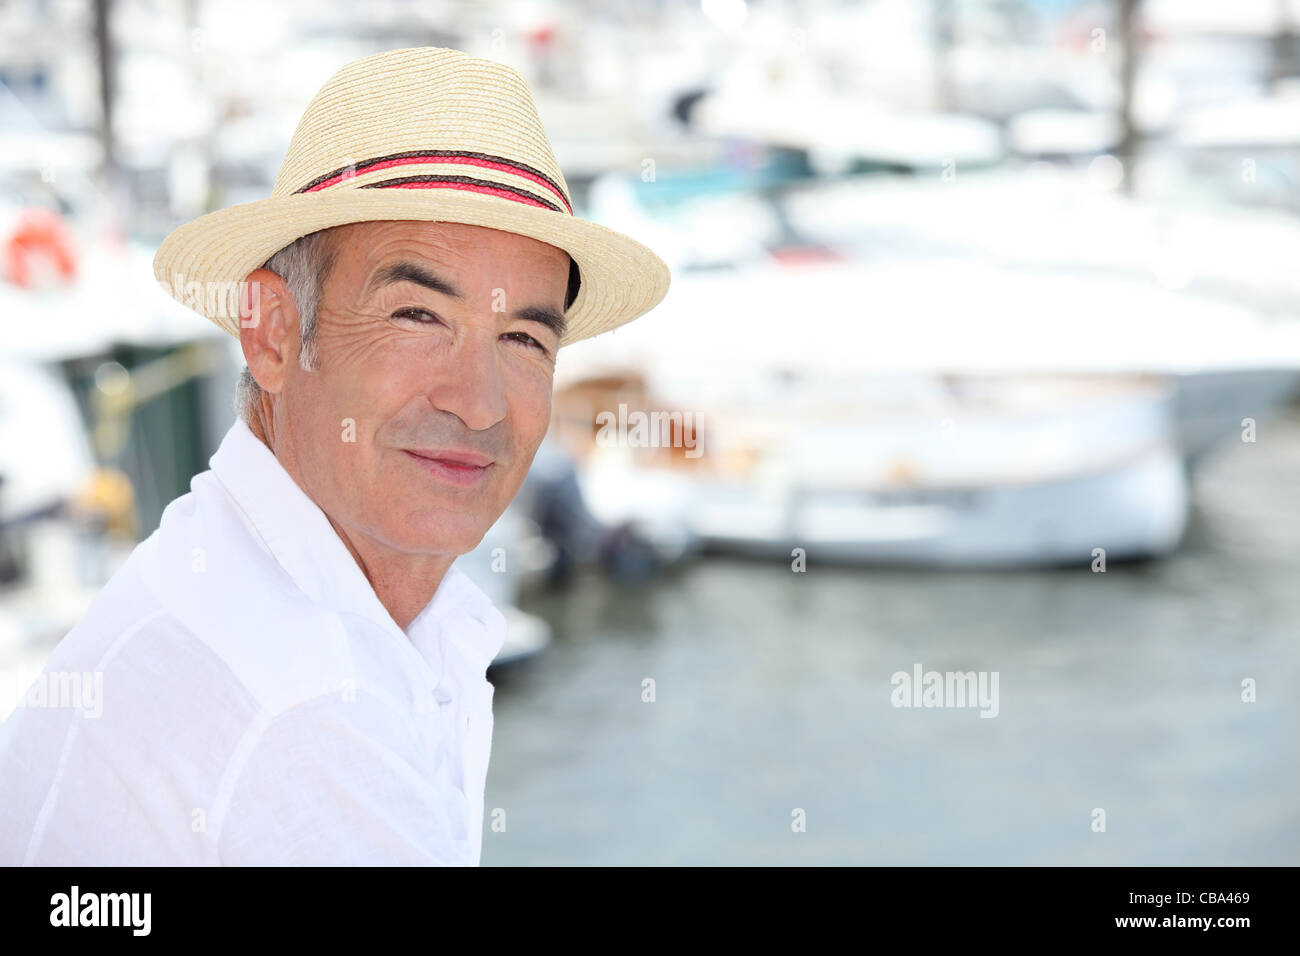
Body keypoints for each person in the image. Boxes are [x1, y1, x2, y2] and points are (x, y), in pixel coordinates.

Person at [0, 46, 669, 865]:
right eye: (418, 316)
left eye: (524, 337)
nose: (482, 401)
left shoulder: (236, 587)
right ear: (273, 331)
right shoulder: (299, 698)